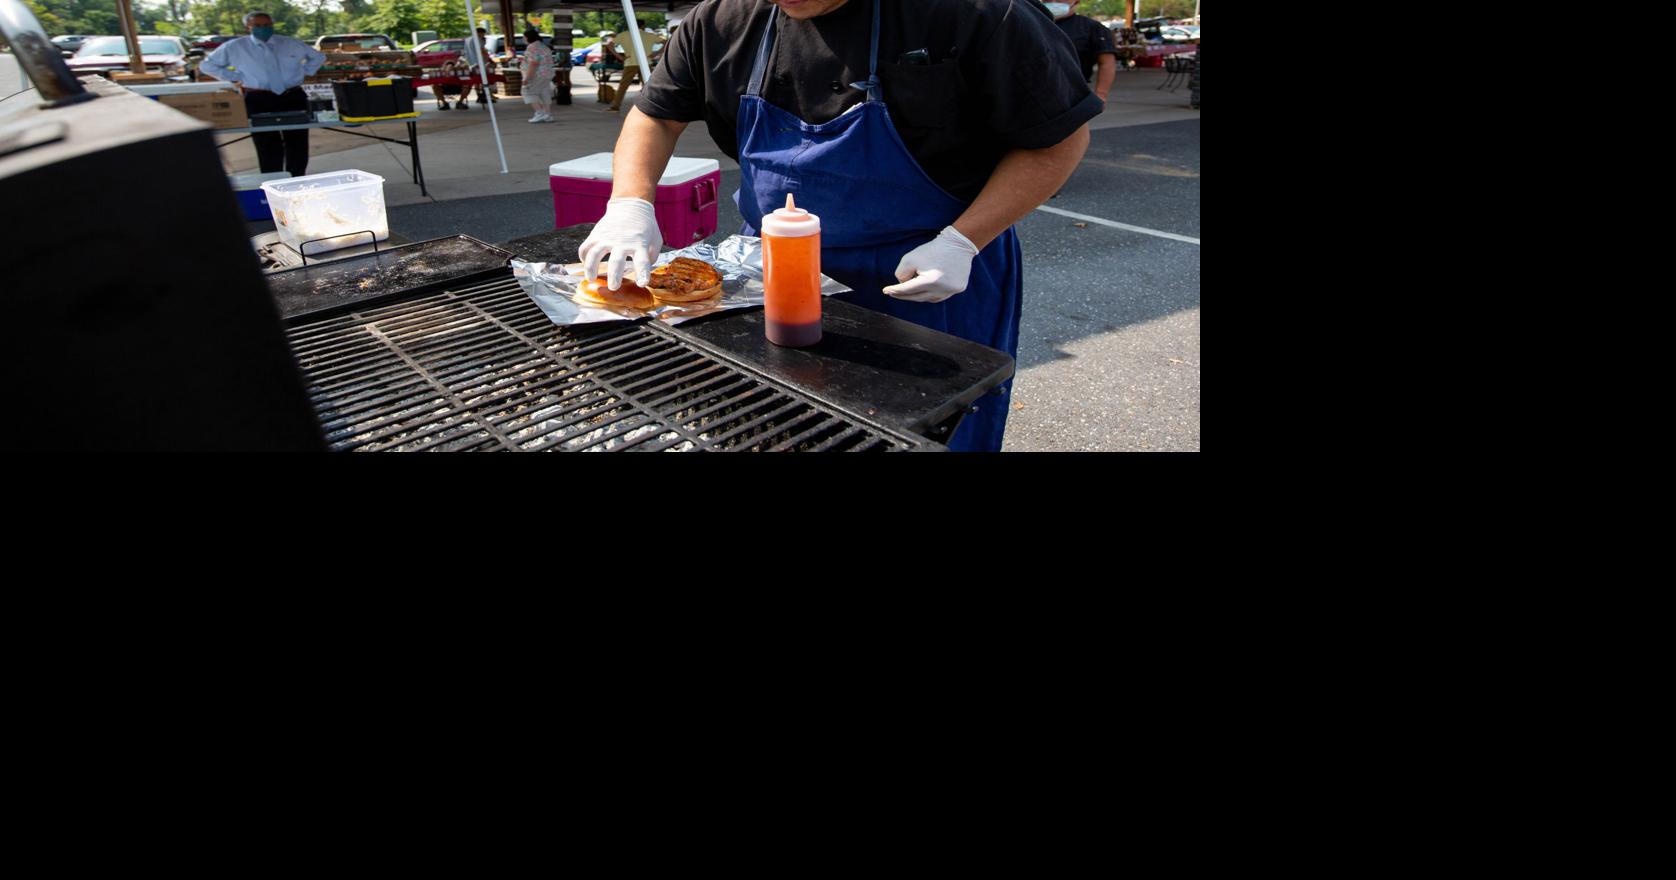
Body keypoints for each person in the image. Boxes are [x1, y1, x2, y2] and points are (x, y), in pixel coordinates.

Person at [579, 0, 1097, 452]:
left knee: (927, 430)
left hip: (928, 275)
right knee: (772, 423)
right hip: (770, 271)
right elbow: (656, 115)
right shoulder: (719, 19)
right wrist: (629, 204)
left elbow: (1058, 141)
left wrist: (964, 241)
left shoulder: (979, 13)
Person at [197, 11, 325, 178]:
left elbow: (318, 57)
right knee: (266, 144)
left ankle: (297, 179)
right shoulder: (235, 47)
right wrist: (234, 77)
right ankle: (271, 181)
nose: (263, 29)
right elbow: (207, 66)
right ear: (248, 27)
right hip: (258, 98)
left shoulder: (291, 43)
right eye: (257, 25)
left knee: (297, 142)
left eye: (267, 25)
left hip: (292, 96)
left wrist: (305, 72)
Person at [1048, 1, 1118, 103]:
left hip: (1073, 95)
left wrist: (1101, 95)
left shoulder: (1091, 27)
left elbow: (1107, 62)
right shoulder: (1034, 23)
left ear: (1076, 2)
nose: (1053, 1)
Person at [607, 19, 667, 112]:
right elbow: (666, 42)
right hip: (646, 62)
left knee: (623, 86)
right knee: (649, 86)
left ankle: (615, 106)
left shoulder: (624, 34)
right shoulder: (649, 35)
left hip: (630, 62)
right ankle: (653, 106)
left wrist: (619, 57)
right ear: (643, 26)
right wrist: (656, 53)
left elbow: (610, 45)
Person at [520, 27, 557, 123]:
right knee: (544, 92)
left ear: (528, 37)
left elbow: (533, 63)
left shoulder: (532, 47)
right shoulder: (543, 46)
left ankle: (540, 113)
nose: (523, 39)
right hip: (547, 73)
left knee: (528, 91)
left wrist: (527, 78)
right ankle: (547, 114)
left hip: (537, 74)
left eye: (524, 37)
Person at [462, 27, 497, 106]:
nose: (483, 35)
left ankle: (479, 95)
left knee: (476, 80)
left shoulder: (467, 39)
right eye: (483, 33)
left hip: (471, 62)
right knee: (485, 79)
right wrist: (488, 60)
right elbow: (482, 50)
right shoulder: (478, 39)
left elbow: (465, 52)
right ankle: (486, 96)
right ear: (479, 33)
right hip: (480, 62)